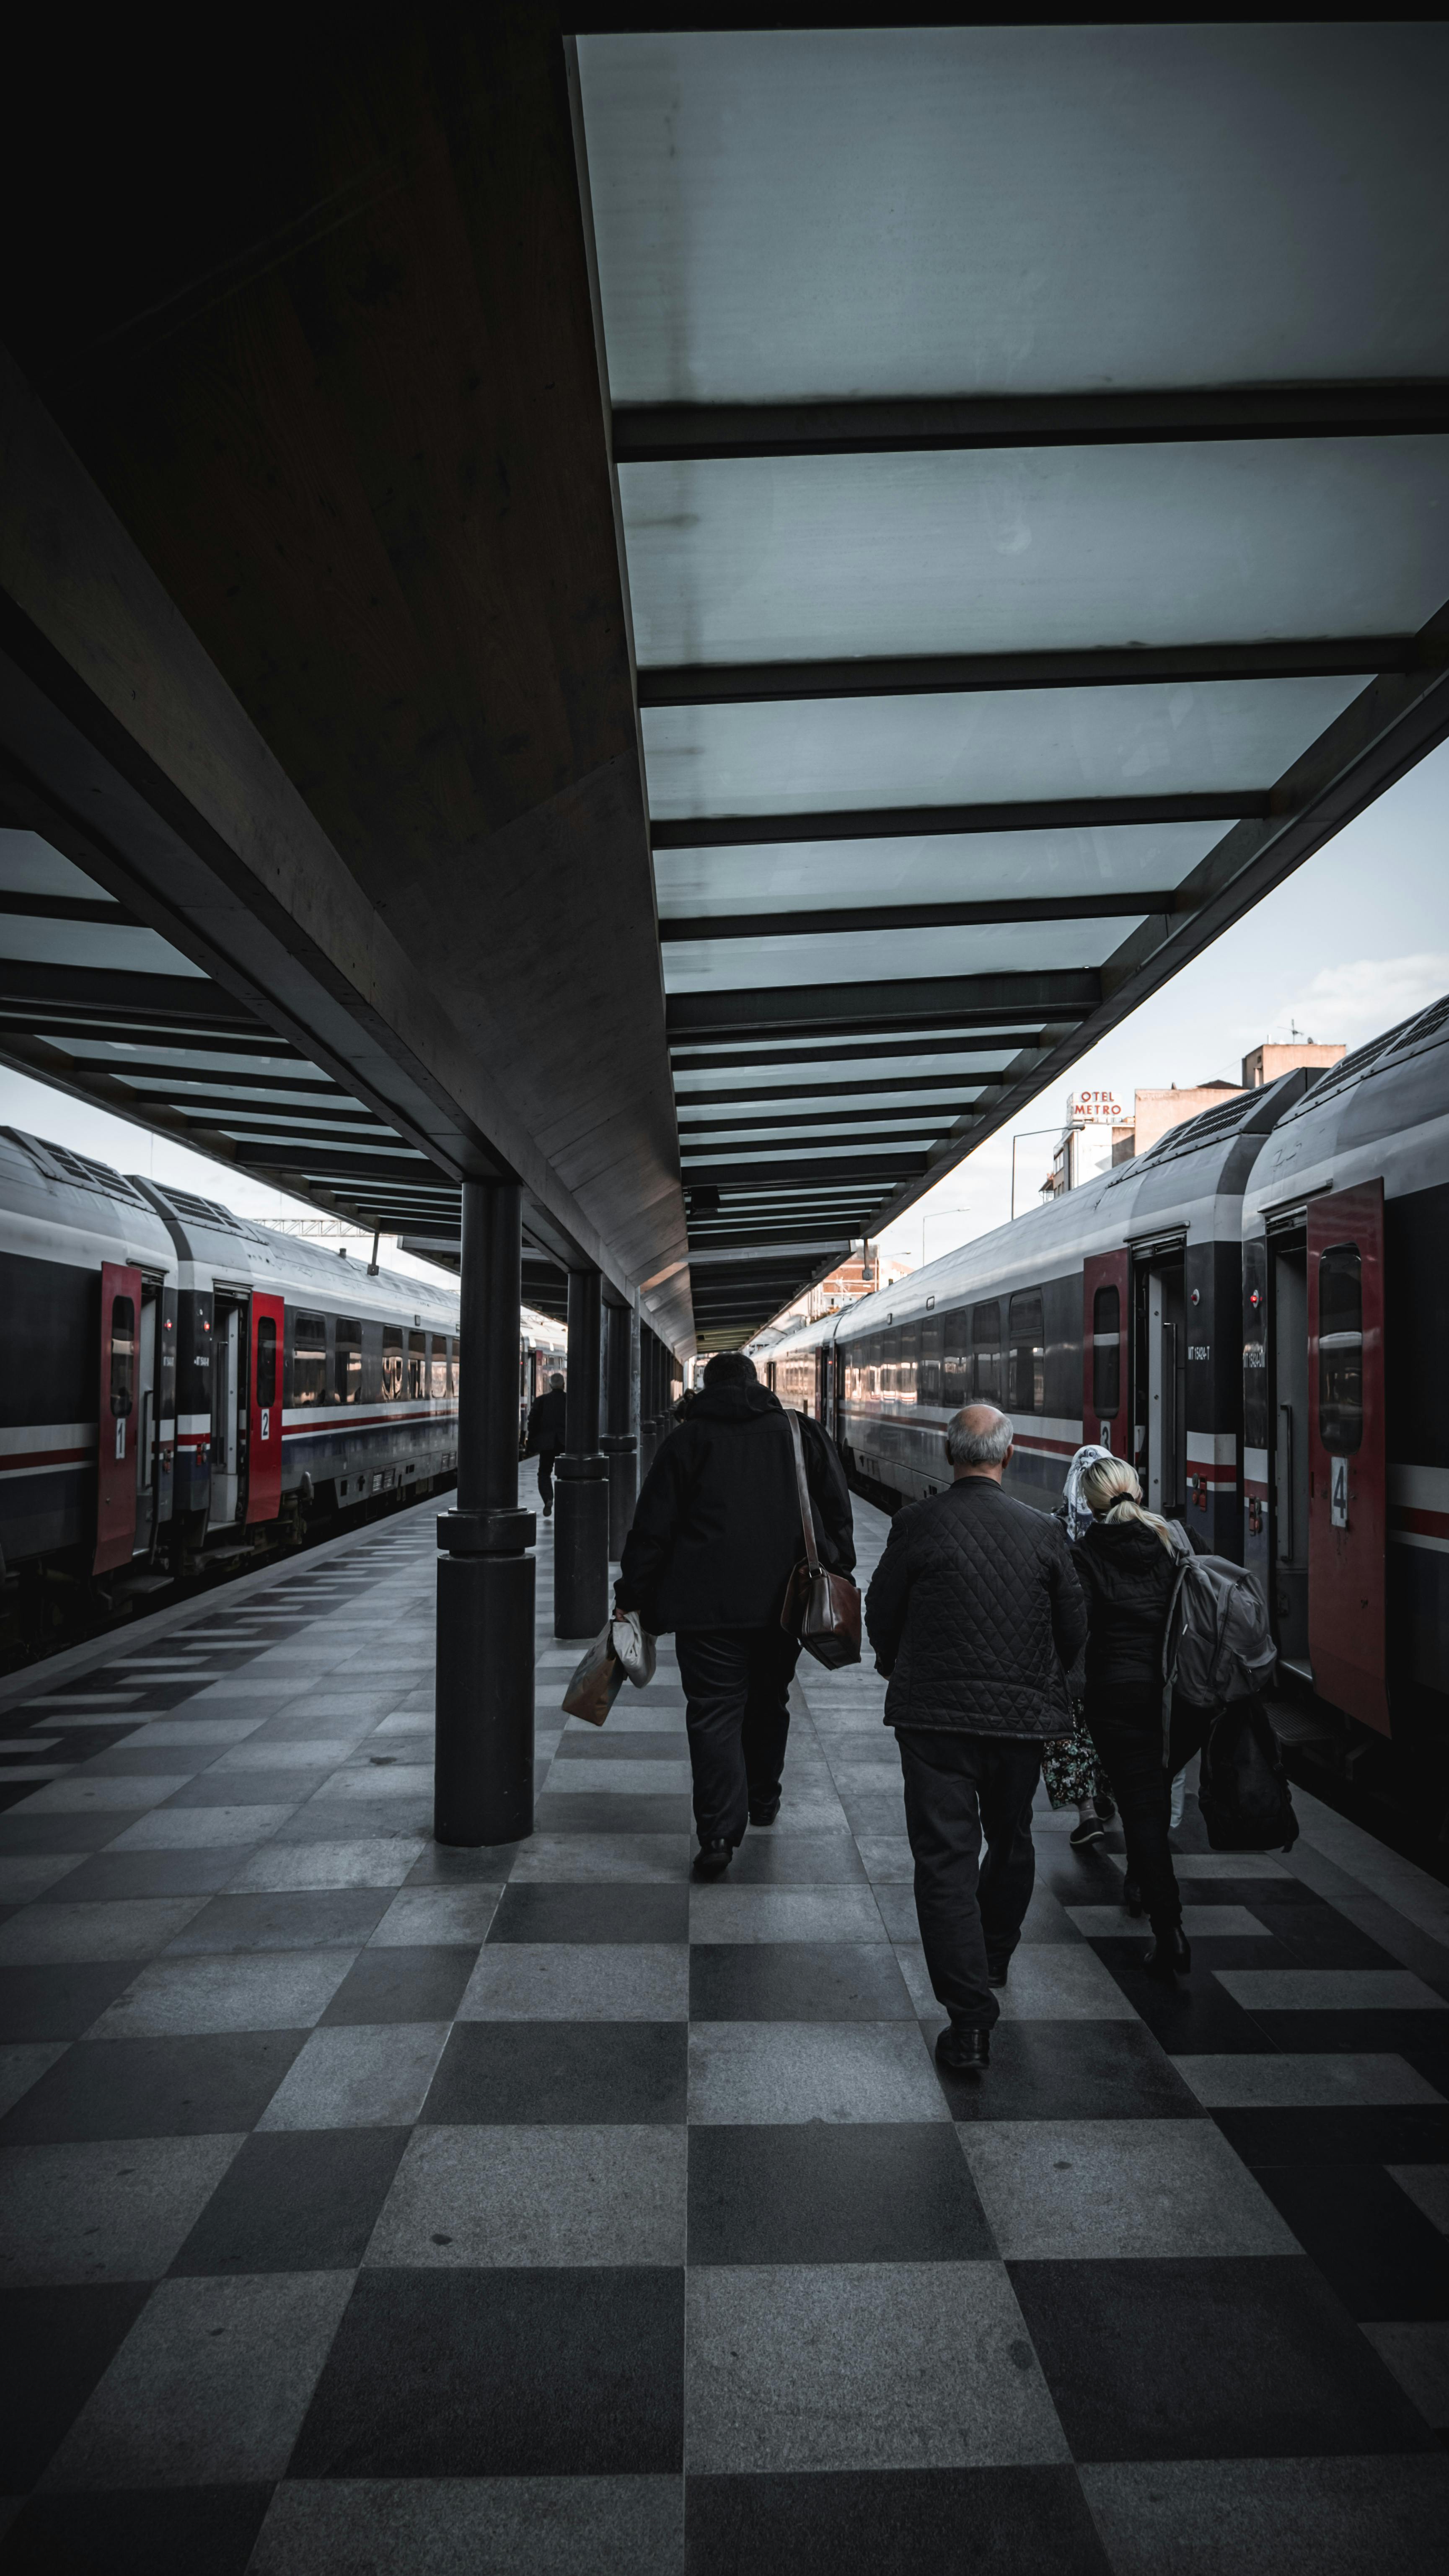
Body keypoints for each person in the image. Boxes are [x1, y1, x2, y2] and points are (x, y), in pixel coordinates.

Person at [865, 1403, 1087, 2075]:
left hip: (933, 1722)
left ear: (946, 1452)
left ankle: (968, 2024)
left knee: (943, 1860)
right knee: (1012, 1836)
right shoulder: (1043, 1533)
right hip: (1019, 1722)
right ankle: (992, 1953)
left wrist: (900, 1664)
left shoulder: (916, 1523)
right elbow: (1073, 1631)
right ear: (1007, 1456)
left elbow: (882, 1614)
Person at [615, 1350, 853, 1877]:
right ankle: (763, 1799)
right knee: (769, 1701)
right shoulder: (799, 1432)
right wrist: (841, 1570)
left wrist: (632, 1593)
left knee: (713, 1713)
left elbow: (651, 1529)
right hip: (785, 1605)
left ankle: (718, 1833)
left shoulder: (686, 1442)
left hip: (706, 1611)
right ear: (756, 1384)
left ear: (705, 1388)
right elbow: (835, 1510)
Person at [1071, 1453, 1215, 1982]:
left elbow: (1075, 1630)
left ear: (1090, 1503)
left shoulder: (1086, 1553)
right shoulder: (1177, 1539)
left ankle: (1169, 1930)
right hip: (1183, 1700)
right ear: (1136, 1488)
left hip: (1120, 1700)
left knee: (1143, 1810)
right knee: (1150, 1794)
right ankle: (1137, 1878)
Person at [1044, 1444, 1118, 1850]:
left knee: (1069, 1734)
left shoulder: (1054, 1530)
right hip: (1115, 1660)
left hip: (1070, 1660)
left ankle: (1087, 1812)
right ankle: (1106, 1794)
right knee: (1107, 1729)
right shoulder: (1126, 1529)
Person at [521, 1373, 567, 1517]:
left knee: (544, 1473)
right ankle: (565, 1501)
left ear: (550, 1385)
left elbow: (532, 1421)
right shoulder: (570, 1400)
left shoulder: (541, 1401)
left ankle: (548, 1499)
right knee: (566, 1473)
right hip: (565, 1443)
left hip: (547, 1444)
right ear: (564, 1385)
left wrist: (533, 1440)